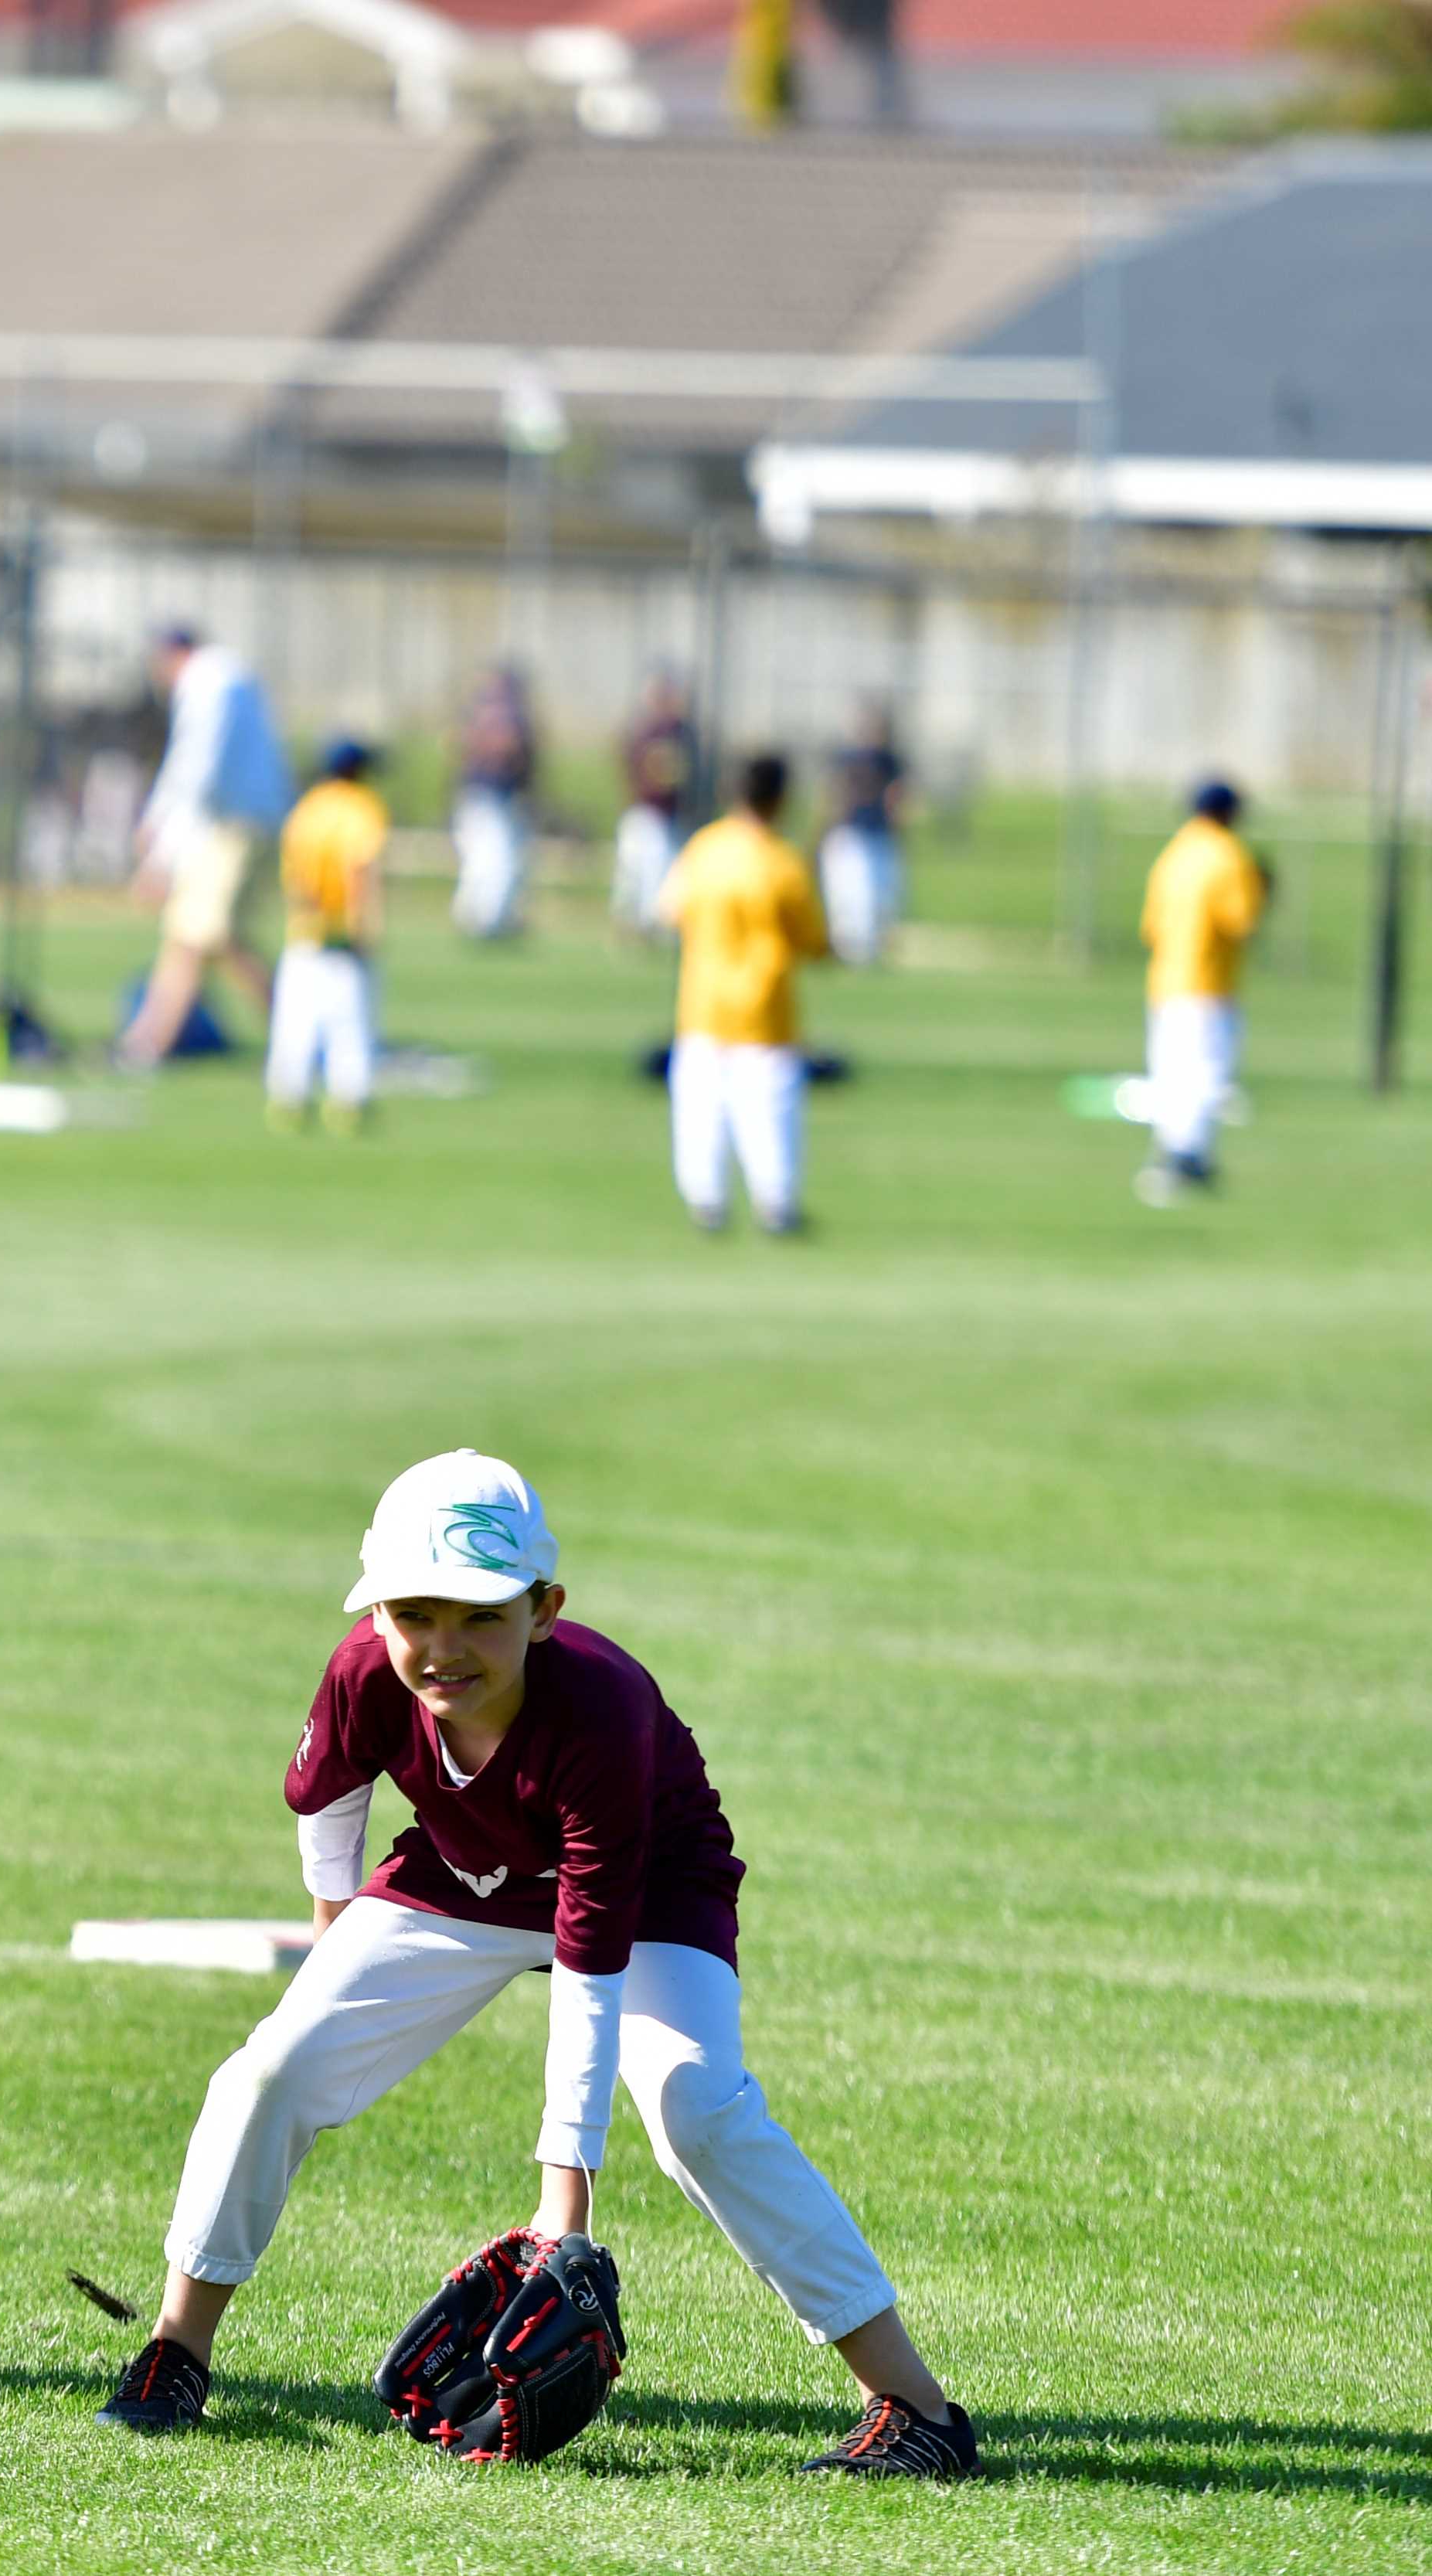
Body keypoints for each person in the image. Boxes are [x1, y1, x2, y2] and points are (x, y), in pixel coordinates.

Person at [94, 1450, 979, 2479]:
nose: (444, 1646)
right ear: (375, 1614)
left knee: (700, 2107)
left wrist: (568, 2198)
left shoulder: (598, 1708)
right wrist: (333, 1949)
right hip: (463, 1872)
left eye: (481, 1614)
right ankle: (176, 2348)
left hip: (649, 1894)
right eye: (415, 1614)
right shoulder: (363, 1674)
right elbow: (325, 1800)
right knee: (269, 2071)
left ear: (544, 1608)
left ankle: (915, 2407)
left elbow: (592, 1948)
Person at [651, 751, 828, 1237]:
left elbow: (669, 909)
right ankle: (776, 1206)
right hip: (765, 1010)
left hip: (703, 1006)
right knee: (770, 1118)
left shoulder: (704, 850)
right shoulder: (783, 863)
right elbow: (816, 943)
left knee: (701, 1117)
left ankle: (707, 1204)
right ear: (780, 798)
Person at [117, 621, 287, 1069]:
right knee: (198, 934)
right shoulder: (224, 678)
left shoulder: (209, 683)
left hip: (235, 825)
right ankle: (147, 1041)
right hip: (234, 823)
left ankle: (150, 1045)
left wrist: (162, 853)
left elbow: (197, 770)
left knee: (200, 933)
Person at [1135, 778, 1270, 1206]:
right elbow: (1241, 920)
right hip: (1208, 982)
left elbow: (1151, 927)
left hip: (1166, 980)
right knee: (1204, 1072)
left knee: (1171, 1074)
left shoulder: (1173, 854)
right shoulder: (1228, 854)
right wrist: (1263, 891)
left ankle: (1173, 1153)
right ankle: (1186, 1160)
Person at [264, 737, 384, 1136]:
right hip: (343, 933)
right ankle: (348, 1104)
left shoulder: (306, 810)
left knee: (294, 1024)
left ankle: (288, 1102)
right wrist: (363, 922)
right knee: (349, 1022)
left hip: (304, 931)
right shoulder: (360, 808)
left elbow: (295, 873)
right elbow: (359, 866)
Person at [449, 661, 538, 941]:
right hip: (488, 796)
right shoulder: (501, 716)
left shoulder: (481, 713)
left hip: (491, 797)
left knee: (492, 860)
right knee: (492, 860)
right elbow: (506, 752)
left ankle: (484, 916)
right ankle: (485, 919)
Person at [818, 700, 907, 966]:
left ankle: (869, 948)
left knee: (883, 895)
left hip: (878, 834)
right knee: (854, 895)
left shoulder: (888, 760)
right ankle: (851, 950)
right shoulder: (846, 758)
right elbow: (832, 795)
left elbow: (897, 798)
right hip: (852, 834)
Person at [611, 668, 698, 941]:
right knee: (637, 874)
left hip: (671, 815)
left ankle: (656, 927)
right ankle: (635, 926)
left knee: (663, 873)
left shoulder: (682, 731)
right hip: (646, 812)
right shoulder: (645, 729)